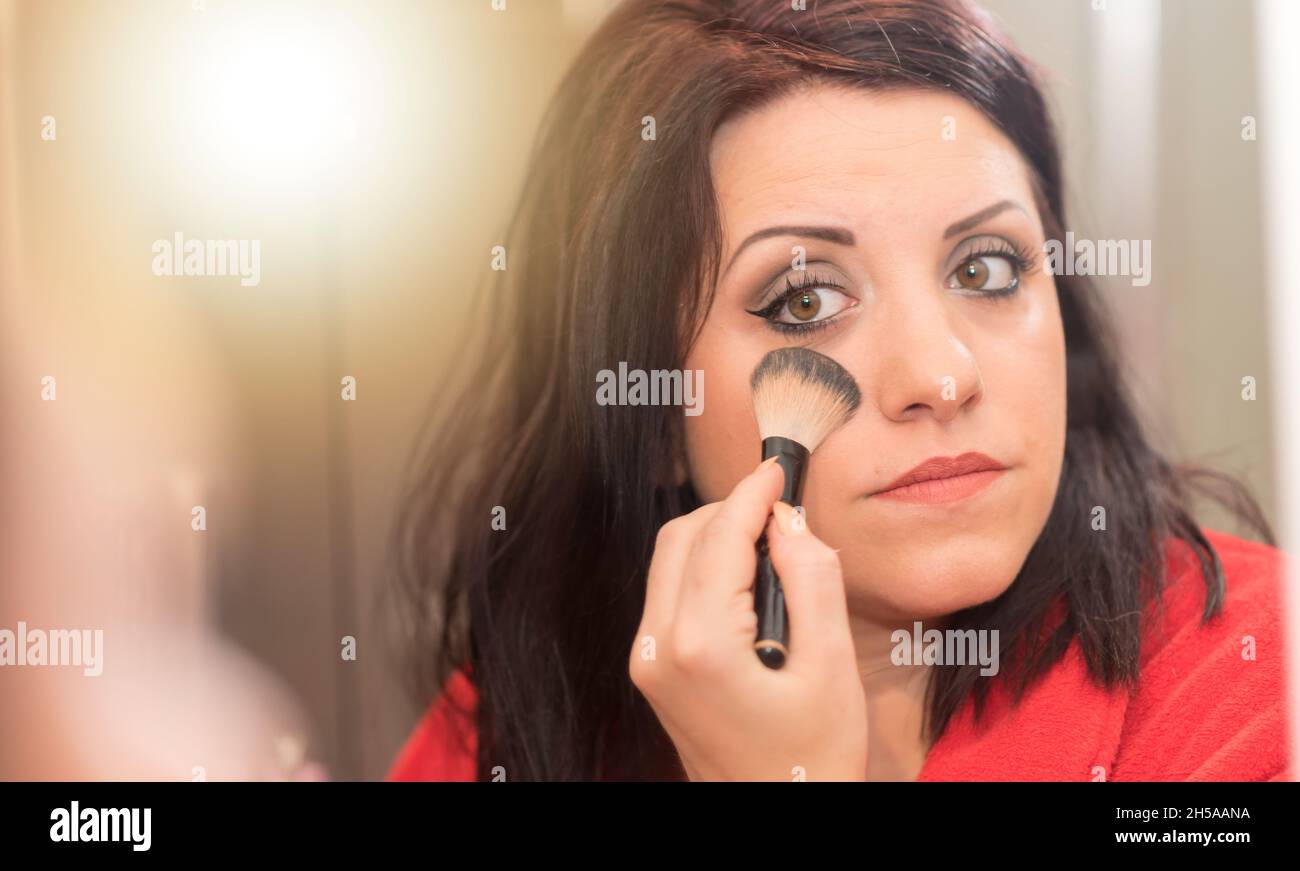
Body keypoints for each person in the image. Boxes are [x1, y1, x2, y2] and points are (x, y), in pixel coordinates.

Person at [384, 0, 1290, 781]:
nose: (942, 377)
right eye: (806, 300)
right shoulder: (505, 726)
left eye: (985, 268)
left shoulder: (1263, 692)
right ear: (650, 414)